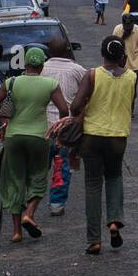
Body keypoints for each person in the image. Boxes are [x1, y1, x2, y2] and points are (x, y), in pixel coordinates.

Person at [0, 47, 70, 243]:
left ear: (26, 65)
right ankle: (29, 214)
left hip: (13, 137)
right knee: (38, 177)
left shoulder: (11, 82)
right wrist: (58, 129)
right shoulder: (50, 84)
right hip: (39, 137)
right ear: (41, 66)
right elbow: (64, 109)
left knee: (15, 181)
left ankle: (16, 231)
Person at [70, 36, 138, 255]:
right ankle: (114, 222)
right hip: (118, 137)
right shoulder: (130, 78)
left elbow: (75, 106)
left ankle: (94, 240)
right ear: (121, 56)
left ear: (102, 53)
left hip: (92, 137)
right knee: (114, 177)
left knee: (92, 185)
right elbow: (130, 104)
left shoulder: (92, 75)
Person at [41, 37, 87, 217]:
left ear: (49, 52)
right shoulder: (78, 70)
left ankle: (31, 201)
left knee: (39, 168)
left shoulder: (41, 69)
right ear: (67, 50)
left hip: (43, 127)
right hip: (67, 128)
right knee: (62, 166)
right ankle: (57, 203)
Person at [112, 11, 138, 80]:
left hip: (135, 64)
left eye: (130, 27)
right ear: (122, 24)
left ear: (133, 23)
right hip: (121, 64)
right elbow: (114, 46)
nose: (128, 29)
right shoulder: (117, 29)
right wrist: (123, 37)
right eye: (126, 27)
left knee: (132, 88)